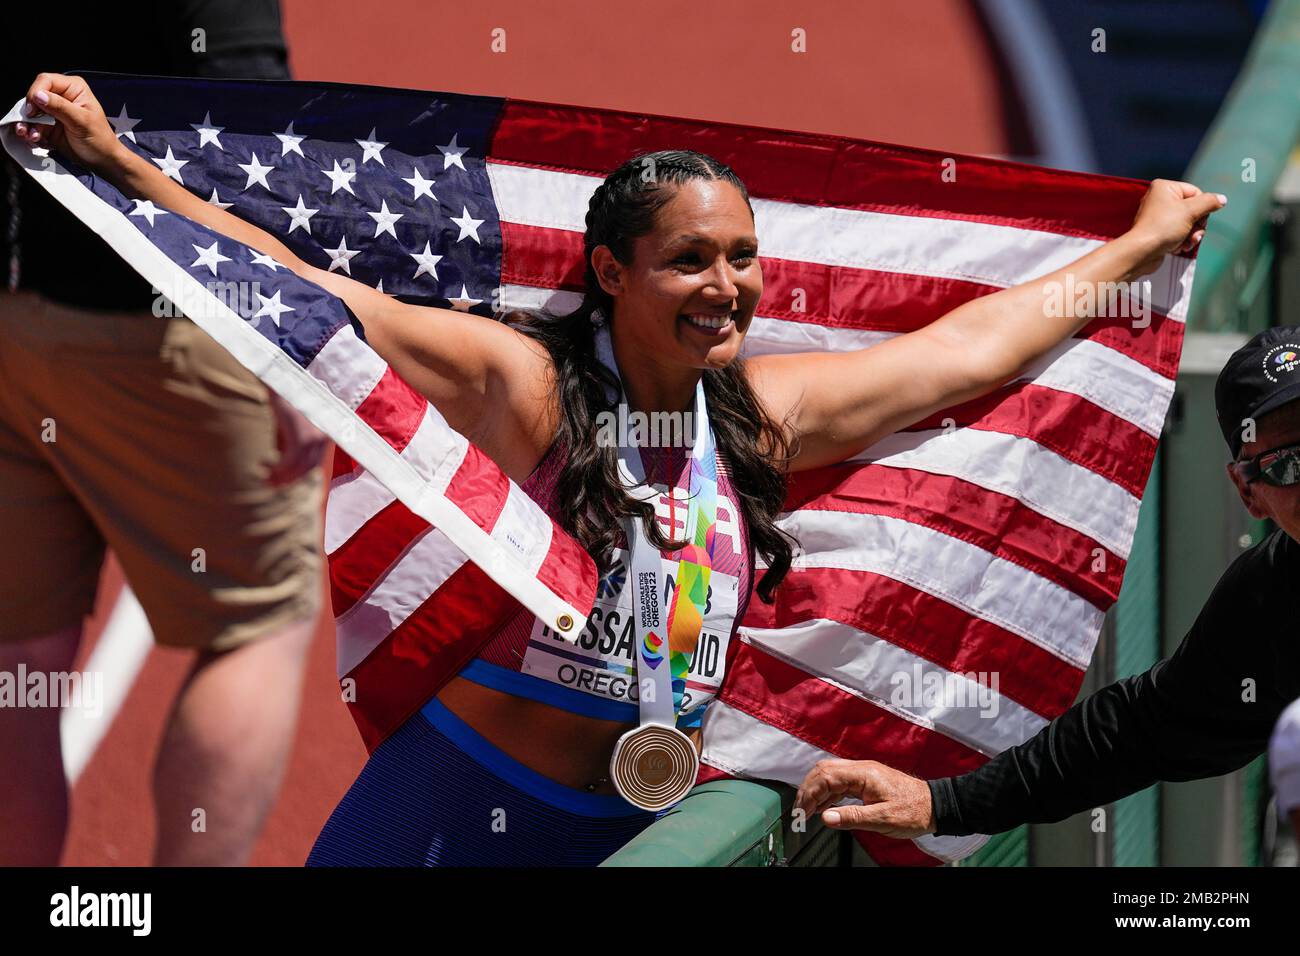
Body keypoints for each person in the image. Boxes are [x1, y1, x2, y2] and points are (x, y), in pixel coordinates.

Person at [11, 70, 1224, 865]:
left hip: (641, 828)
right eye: (690, 260)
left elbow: (966, 352)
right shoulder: (526, 386)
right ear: (611, 273)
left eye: (743, 257)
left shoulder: (759, 412)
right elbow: (312, 291)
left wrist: (1142, 240)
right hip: (460, 812)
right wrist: (127, 172)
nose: (728, 286)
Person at [0, 4, 327, 867]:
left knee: (19, 659)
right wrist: (286, 347)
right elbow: (250, 126)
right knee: (254, 621)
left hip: (10, 322)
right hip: (158, 327)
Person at [793, 327, 1300, 843]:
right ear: (1249, 492)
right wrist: (941, 804)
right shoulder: (1269, 603)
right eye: (1287, 465)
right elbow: (1139, 731)